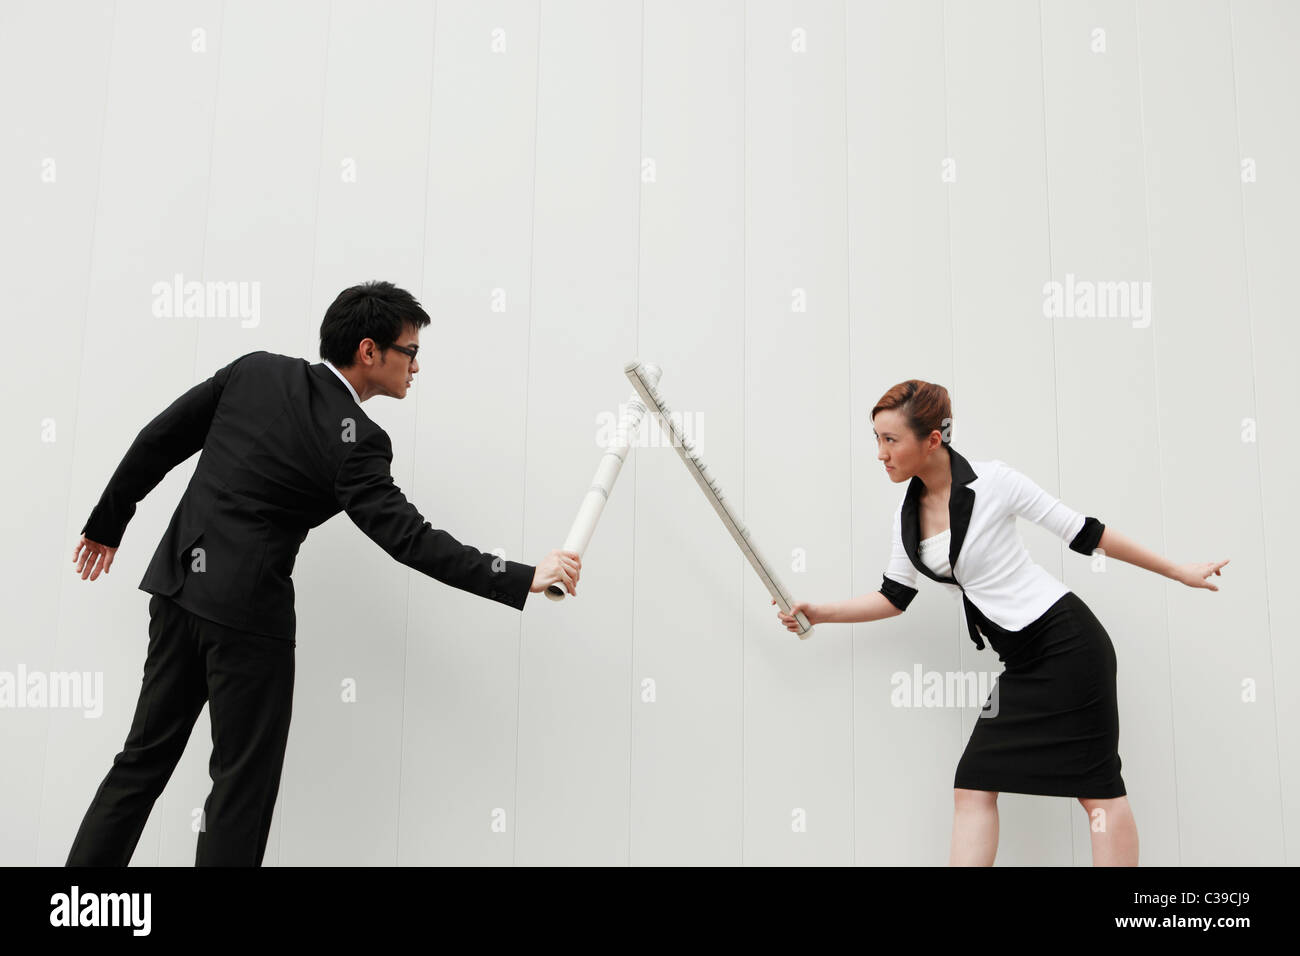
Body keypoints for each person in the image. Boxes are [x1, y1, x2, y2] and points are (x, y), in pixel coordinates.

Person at [66, 280, 580, 866]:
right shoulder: (358, 442)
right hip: (247, 623)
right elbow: (411, 540)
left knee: (140, 762)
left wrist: (108, 524)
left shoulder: (254, 370)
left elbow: (159, 439)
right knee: (240, 789)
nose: (417, 367)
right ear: (369, 351)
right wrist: (521, 575)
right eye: (410, 352)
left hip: (177, 589)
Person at [775, 379, 1227, 866]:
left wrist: (1178, 571)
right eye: (876, 439)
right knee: (973, 783)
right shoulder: (907, 516)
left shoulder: (994, 482)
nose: (880, 454)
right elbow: (893, 596)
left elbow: (1086, 533)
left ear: (932, 439)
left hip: (1070, 645)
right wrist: (819, 612)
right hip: (1024, 661)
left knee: (1097, 792)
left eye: (891, 440)